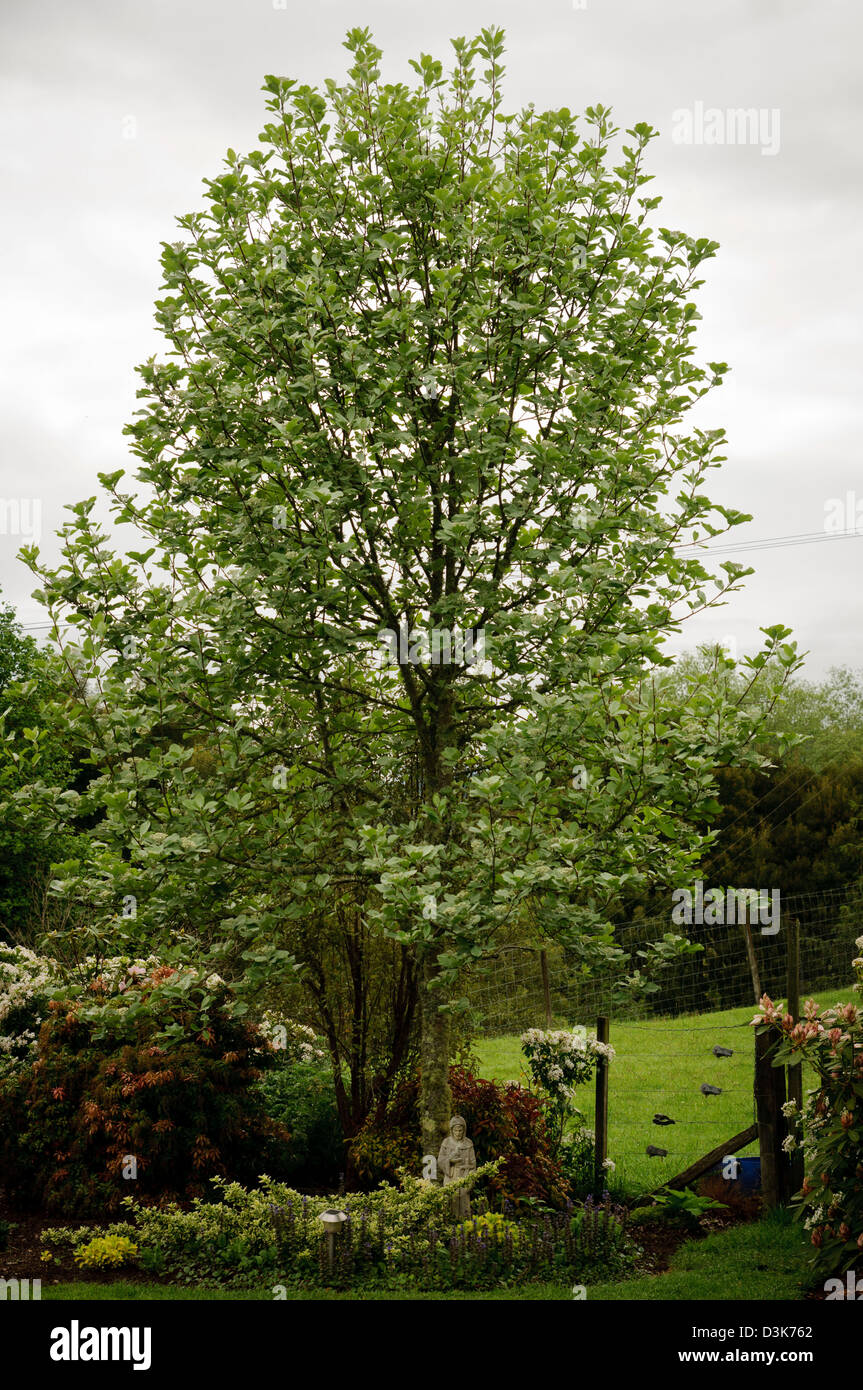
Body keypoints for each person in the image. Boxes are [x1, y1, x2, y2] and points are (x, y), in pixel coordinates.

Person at [437, 1115, 476, 1219]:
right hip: (451, 1176)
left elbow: (473, 1165)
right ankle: (449, 1229)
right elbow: (440, 1160)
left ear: (464, 1130)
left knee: (463, 1205)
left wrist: (470, 1180)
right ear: (451, 1130)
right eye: (456, 1130)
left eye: (460, 1130)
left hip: (464, 1177)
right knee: (450, 1202)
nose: (458, 1133)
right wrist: (449, 1161)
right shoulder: (446, 1143)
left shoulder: (468, 1143)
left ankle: (465, 1229)